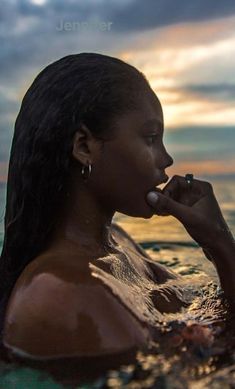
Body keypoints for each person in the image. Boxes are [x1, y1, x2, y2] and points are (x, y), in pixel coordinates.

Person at [0, 53, 234, 377]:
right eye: (151, 138)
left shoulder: (119, 244)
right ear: (84, 146)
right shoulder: (63, 290)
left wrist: (216, 240)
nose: (166, 158)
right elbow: (212, 373)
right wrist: (221, 245)